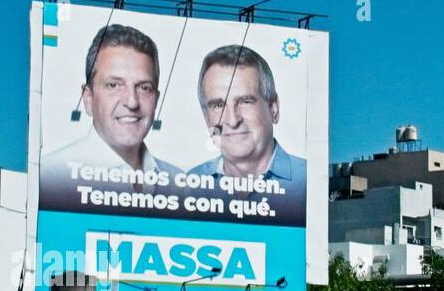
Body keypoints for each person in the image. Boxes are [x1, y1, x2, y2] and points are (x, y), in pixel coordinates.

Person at [39, 24, 184, 212]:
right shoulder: (51, 176)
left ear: (156, 100)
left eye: (144, 87)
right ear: (88, 98)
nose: (132, 102)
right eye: (114, 85)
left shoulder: (182, 185)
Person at [188, 44, 306, 227]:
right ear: (206, 117)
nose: (233, 120)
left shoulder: (308, 181)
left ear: (273, 108)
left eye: (245, 101)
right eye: (218, 105)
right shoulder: (189, 186)